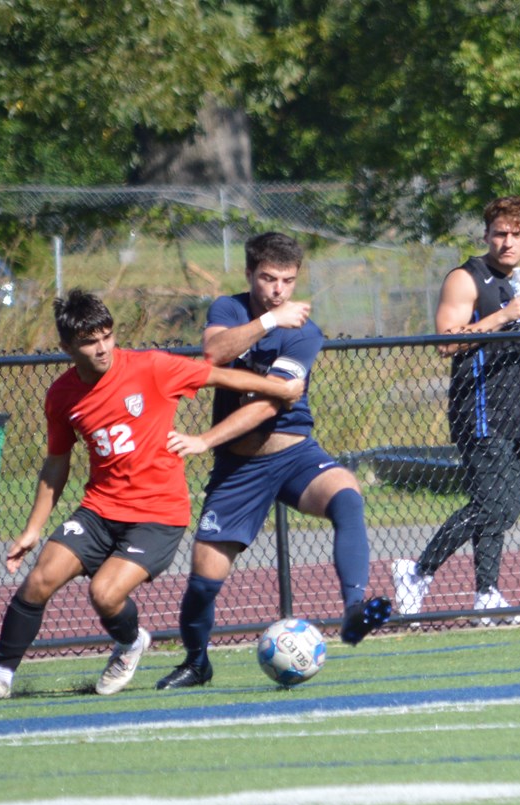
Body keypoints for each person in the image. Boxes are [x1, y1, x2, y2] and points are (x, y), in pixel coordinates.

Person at [0, 288, 311, 702]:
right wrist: (33, 529)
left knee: (105, 594)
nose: (102, 348)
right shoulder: (61, 396)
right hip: (99, 509)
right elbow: (56, 463)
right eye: (89, 342)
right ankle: (1, 678)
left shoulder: (151, 367)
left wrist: (281, 390)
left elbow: (215, 374)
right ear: (66, 347)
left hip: (157, 515)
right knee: (39, 580)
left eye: (107, 336)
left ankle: (130, 643)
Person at [155, 232, 391, 689]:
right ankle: (196, 662)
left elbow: (272, 404)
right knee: (204, 579)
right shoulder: (229, 309)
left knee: (347, 496)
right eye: (268, 278)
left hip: (294, 455)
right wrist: (267, 321)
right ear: (249, 275)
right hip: (239, 469)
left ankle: (355, 609)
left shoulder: (304, 330)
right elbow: (212, 354)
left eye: (287, 280)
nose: (279, 290)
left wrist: (204, 439)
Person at [390, 196, 520, 626]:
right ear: (486, 235)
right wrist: (500, 317)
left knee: (507, 510)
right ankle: (418, 571)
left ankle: (487, 595)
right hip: (481, 409)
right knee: (490, 505)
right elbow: (446, 341)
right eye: (499, 234)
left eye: (516, 235)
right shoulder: (467, 278)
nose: (507, 243)